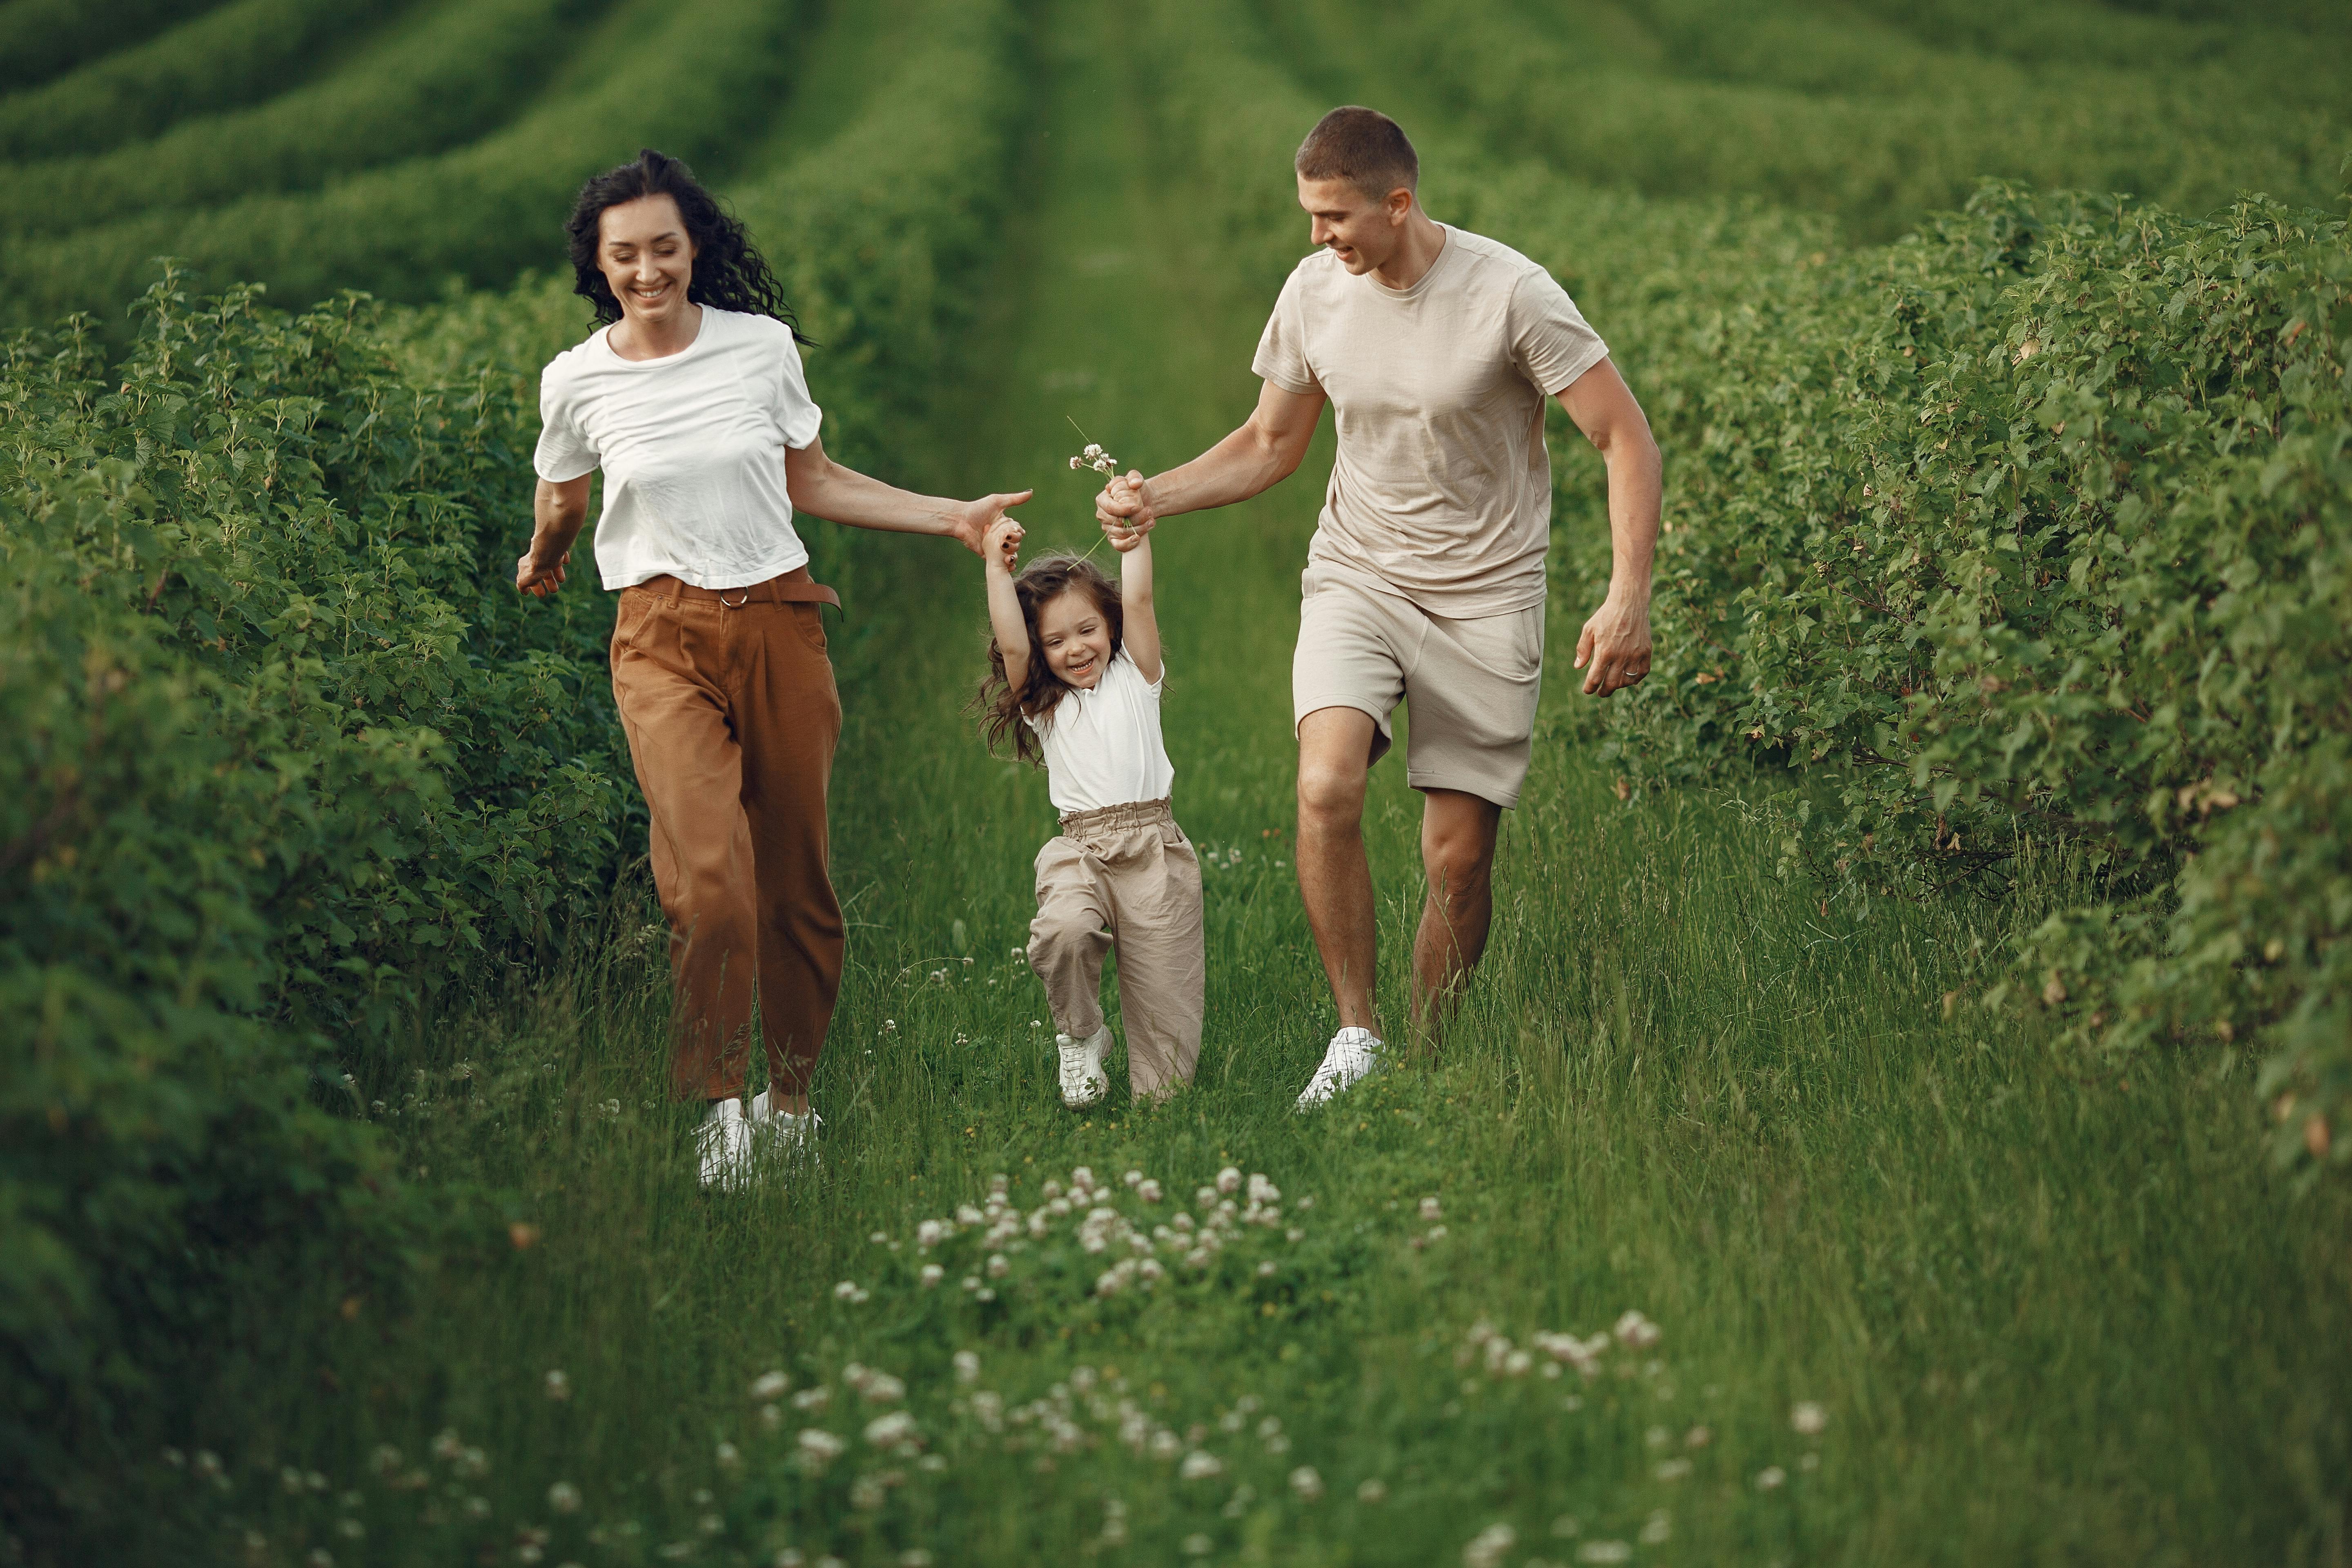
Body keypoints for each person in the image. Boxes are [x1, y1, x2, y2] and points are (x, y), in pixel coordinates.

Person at [1094, 107, 1662, 1108]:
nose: (1318, 237)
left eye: (1335, 217)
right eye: (1310, 217)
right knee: (1325, 789)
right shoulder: (1317, 291)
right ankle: (1356, 1035)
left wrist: (1628, 598)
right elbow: (1272, 443)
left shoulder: (1511, 294)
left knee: (1459, 859)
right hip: (1360, 573)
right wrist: (1156, 498)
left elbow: (1624, 438)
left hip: (1489, 595)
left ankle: (1429, 1064)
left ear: (1398, 204)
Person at [516, 148, 1030, 1188]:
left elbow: (816, 478)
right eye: (627, 255)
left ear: (695, 245)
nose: (649, 270)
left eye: (666, 247)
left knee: (795, 876)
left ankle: (790, 1100)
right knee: (710, 881)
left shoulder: (758, 350)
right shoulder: (575, 379)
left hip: (779, 623)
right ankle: (718, 1108)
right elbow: (563, 494)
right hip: (657, 638)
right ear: (598, 264)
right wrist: (547, 557)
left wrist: (952, 519)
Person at [972, 517, 1204, 1108]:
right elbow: (1013, 641)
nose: (1074, 649)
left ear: (1111, 626)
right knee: (1064, 933)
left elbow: (1142, 595)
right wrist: (997, 569)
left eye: (1087, 630)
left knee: (1166, 1027)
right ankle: (1081, 1035)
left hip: (1156, 851)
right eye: (1056, 642)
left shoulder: (1137, 674)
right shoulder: (1042, 704)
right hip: (1083, 849)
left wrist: (1134, 536)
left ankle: (1158, 1107)